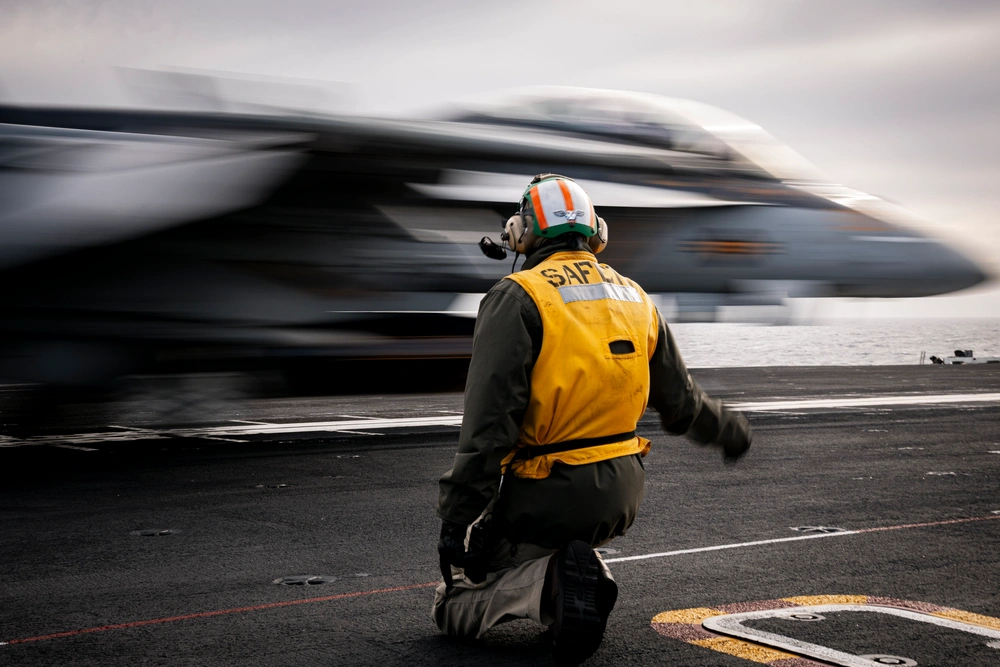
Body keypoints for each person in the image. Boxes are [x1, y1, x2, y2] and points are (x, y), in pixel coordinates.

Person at [433, 174, 752, 664]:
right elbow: (683, 404)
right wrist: (731, 431)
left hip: (543, 493)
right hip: (622, 492)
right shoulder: (636, 298)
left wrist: (457, 518)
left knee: (450, 605)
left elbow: (488, 428)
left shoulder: (516, 295)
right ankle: (579, 575)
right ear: (595, 231)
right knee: (551, 547)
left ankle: (548, 583)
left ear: (520, 233)